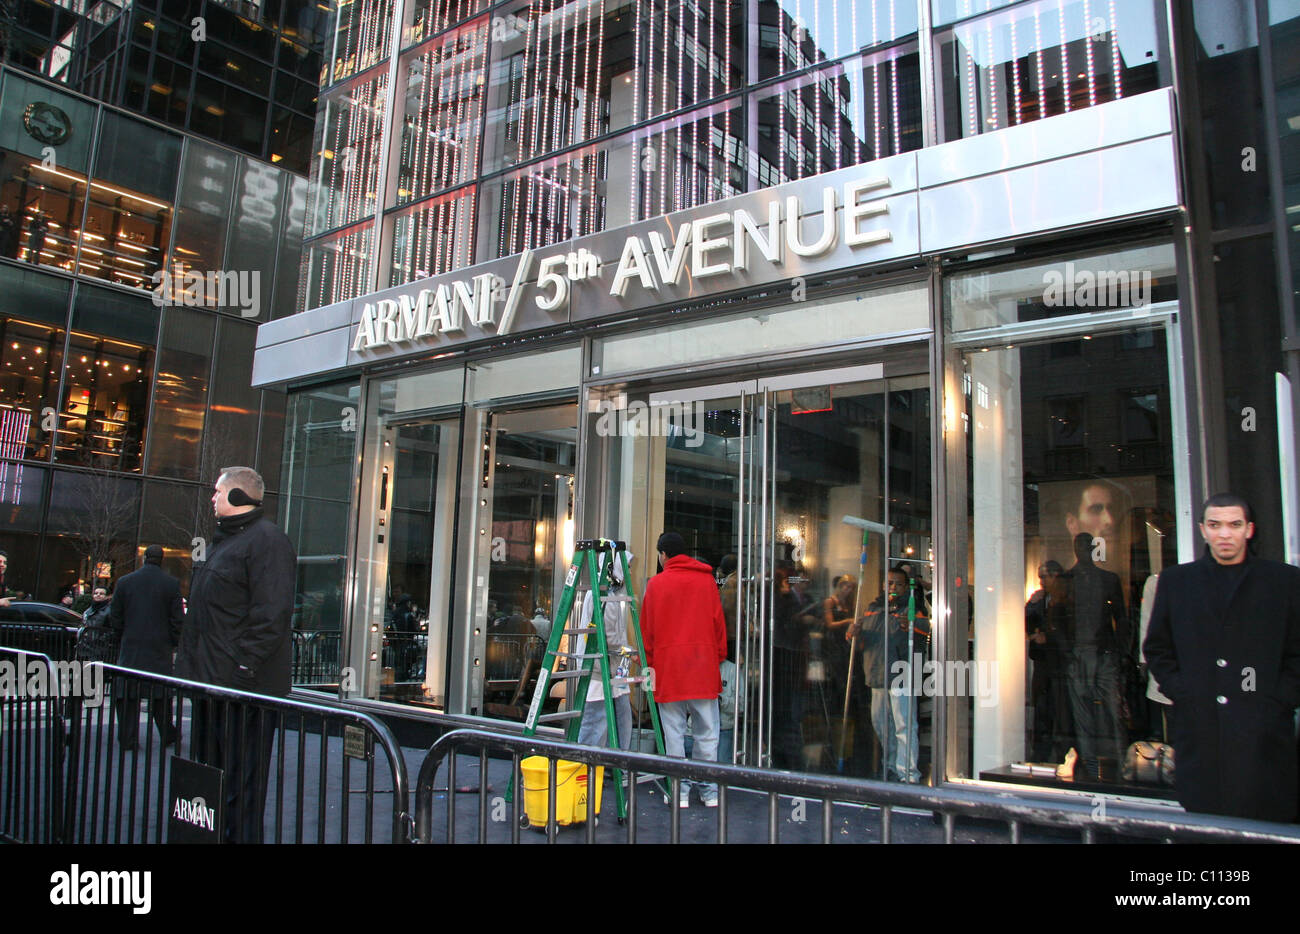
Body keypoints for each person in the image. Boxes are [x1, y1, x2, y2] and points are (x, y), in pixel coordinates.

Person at [1143, 493, 1300, 821]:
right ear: (1202, 530)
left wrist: (1279, 699)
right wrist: (1184, 692)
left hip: (1265, 735)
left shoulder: (1284, 581)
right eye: (1215, 525)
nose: (1224, 534)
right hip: (1201, 733)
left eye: (1234, 525)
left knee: (1265, 820)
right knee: (1205, 821)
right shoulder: (1176, 581)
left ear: (1249, 530)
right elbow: (1158, 647)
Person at [175, 466, 297, 843]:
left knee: (241, 785)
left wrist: (244, 668)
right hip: (213, 685)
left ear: (238, 497)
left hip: (242, 692)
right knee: (210, 780)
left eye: (217, 491)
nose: (212, 497)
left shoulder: (267, 542)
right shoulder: (225, 543)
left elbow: (271, 612)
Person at [641, 532, 727, 807]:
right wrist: (717, 657)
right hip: (702, 666)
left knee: (674, 732)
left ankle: (679, 791)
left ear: (663, 554)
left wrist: (649, 666)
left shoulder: (655, 585)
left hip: (669, 669)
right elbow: (718, 625)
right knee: (707, 732)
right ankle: (709, 791)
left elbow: (648, 632)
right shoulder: (707, 582)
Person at [851, 567, 930, 783]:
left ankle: (908, 772)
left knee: (904, 724)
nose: (893, 587)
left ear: (905, 587)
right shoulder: (873, 609)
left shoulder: (912, 608)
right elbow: (863, 642)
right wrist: (854, 635)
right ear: (884, 585)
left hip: (901, 673)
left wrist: (911, 625)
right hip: (877, 673)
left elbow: (925, 630)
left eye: (898, 584)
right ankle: (892, 763)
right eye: (890, 583)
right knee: (881, 723)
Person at [1060, 531, 1128, 780]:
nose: (1082, 550)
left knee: (1114, 711)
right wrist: (1067, 653)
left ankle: (1123, 765)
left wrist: (1121, 652)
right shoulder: (1067, 579)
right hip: (1079, 653)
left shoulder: (1109, 579)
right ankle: (1089, 767)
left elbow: (1121, 618)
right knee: (1082, 716)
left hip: (1104, 653)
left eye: (1086, 545)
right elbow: (1058, 618)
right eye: (1078, 545)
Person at [108, 544, 183, 750]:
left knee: (127, 695)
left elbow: (115, 615)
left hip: (131, 645)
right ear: (162, 560)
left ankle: (128, 737)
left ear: (144, 558)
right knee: (161, 695)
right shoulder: (171, 584)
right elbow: (177, 619)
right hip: (159, 647)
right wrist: (173, 642)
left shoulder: (125, 582)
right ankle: (168, 733)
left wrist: (120, 635)